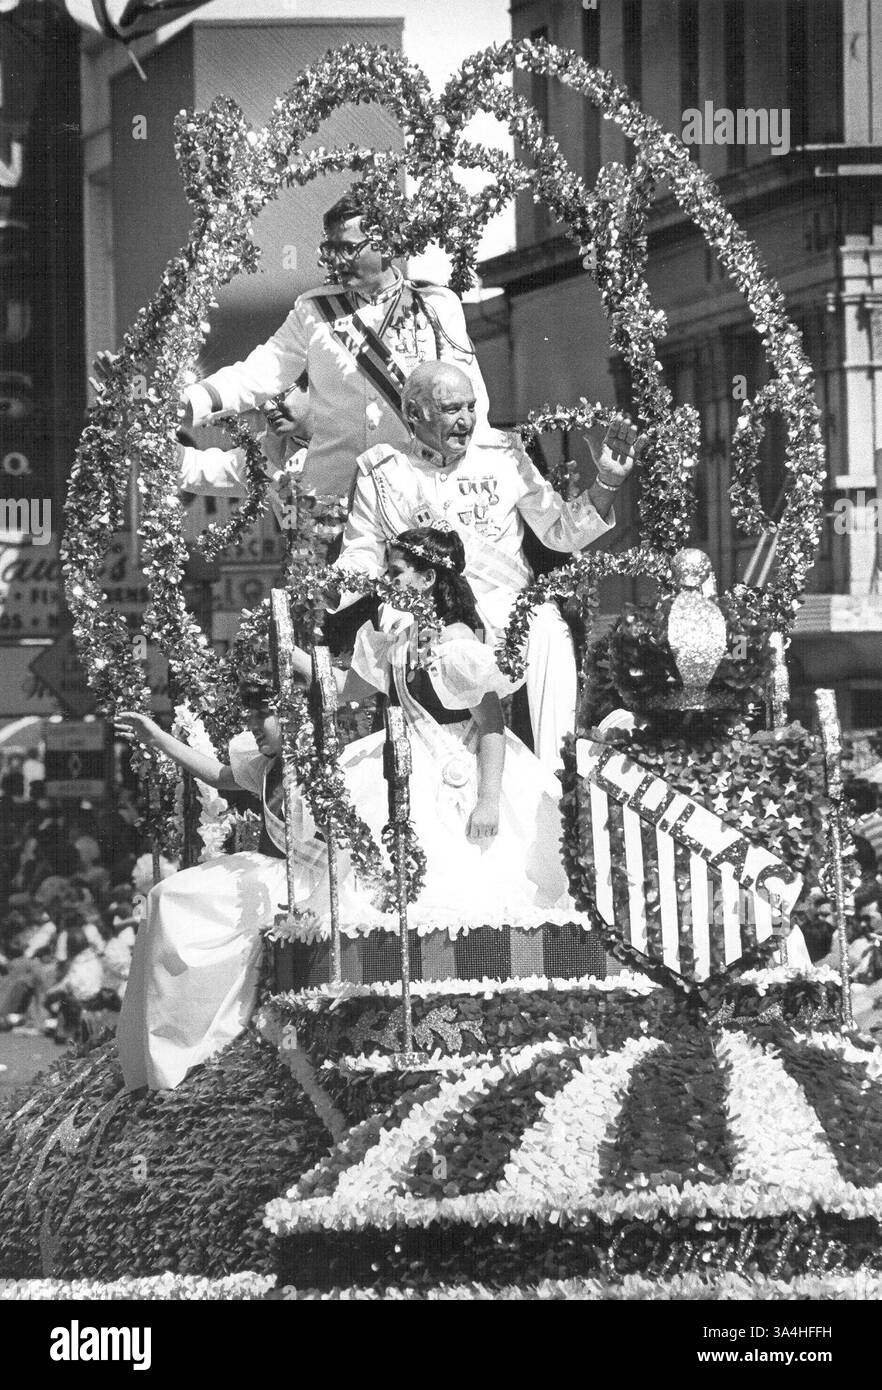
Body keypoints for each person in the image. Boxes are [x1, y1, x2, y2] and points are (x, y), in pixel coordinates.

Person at [114, 526, 588, 1090]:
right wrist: (287, 648)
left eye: (395, 570)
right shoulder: (392, 636)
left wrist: (487, 798)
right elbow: (345, 689)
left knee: (469, 881)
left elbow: (490, 724)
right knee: (368, 877)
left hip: (459, 772)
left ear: (427, 577)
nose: (384, 579)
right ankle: (367, 1002)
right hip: (397, 765)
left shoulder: (460, 640)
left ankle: (469, 998)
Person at [328, 360, 645, 768]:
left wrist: (607, 483)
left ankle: (559, 776)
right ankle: (424, 772)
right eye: (450, 409)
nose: (465, 420)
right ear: (414, 413)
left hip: (503, 606)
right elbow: (361, 554)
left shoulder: (504, 455)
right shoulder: (382, 471)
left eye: (470, 407)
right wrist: (332, 589)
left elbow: (561, 532)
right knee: (402, 632)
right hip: (423, 612)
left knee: (548, 627)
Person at [178, 190, 490, 502]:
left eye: (348, 249)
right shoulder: (313, 311)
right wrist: (188, 402)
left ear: (387, 244)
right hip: (335, 498)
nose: (336, 261)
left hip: (417, 494)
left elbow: (470, 400)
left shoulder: (435, 307)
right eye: (330, 249)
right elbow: (259, 373)